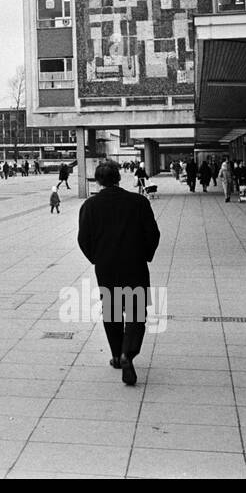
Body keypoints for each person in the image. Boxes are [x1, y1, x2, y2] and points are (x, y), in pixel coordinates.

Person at [77, 161, 161, 386]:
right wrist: (145, 254)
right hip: (134, 264)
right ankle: (128, 353)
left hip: (107, 267)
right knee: (136, 312)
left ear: (97, 181)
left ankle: (116, 355)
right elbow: (153, 233)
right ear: (118, 178)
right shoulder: (138, 202)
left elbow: (83, 240)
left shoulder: (90, 206)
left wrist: (98, 258)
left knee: (112, 309)